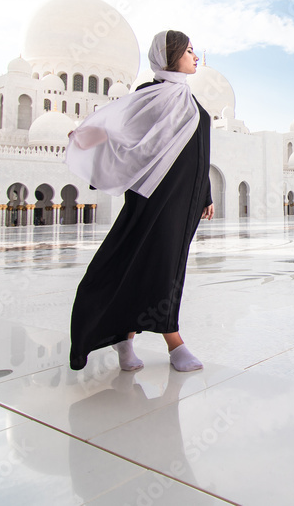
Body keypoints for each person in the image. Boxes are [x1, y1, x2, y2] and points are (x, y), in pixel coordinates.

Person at [66, 30, 212, 372]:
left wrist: (204, 194)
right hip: (153, 196)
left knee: (163, 264)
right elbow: (119, 128)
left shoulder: (188, 100)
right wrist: (83, 136)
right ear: (170, 56)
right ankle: (170, 342)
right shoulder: (149, 95)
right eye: (189, 51)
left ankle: (125, 338)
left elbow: (198, 151)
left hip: (184, 200)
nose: (195, 56)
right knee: (147, 263)